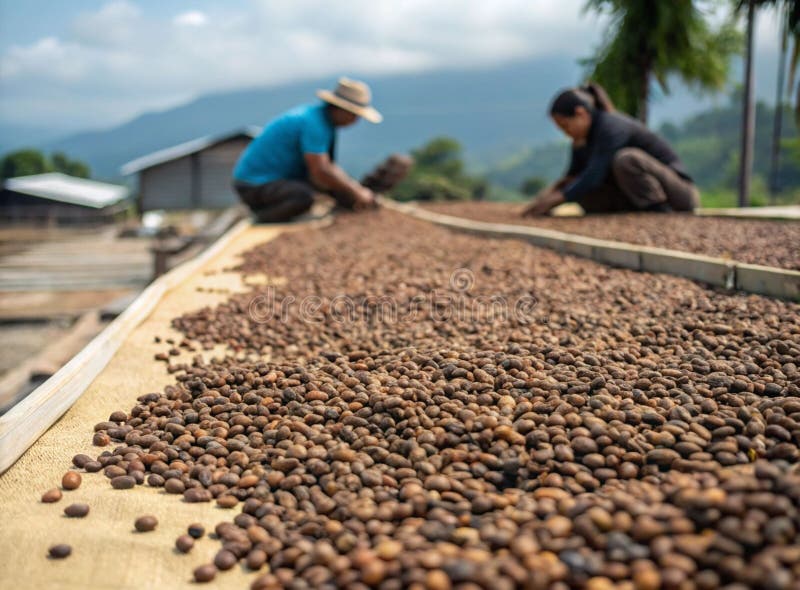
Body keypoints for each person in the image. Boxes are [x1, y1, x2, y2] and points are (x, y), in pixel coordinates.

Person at [233, 78, 410, 222]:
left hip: (275, 180)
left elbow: (327, 169)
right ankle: (261, 218)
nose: (356, 120)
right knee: (302, 197)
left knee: (338, 189)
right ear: (340, 109)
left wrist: (350, 191)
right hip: (254, 185)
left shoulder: (320, 120)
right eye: (354, 114)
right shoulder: (314, 124)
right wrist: (356, 192)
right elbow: (320, 170)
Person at [522, 83, 699, 216]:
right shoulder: (581, 141)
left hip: (679, 194)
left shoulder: (612, 127)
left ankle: (658, 211)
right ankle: (633, 212)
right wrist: (542, 200)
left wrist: (554, 200)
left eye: (566, 126)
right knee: (578, 188)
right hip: (631, 197)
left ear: (581, 114)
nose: (566, 133)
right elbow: (570, 179)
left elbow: (593, 175)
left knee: (626, 160)